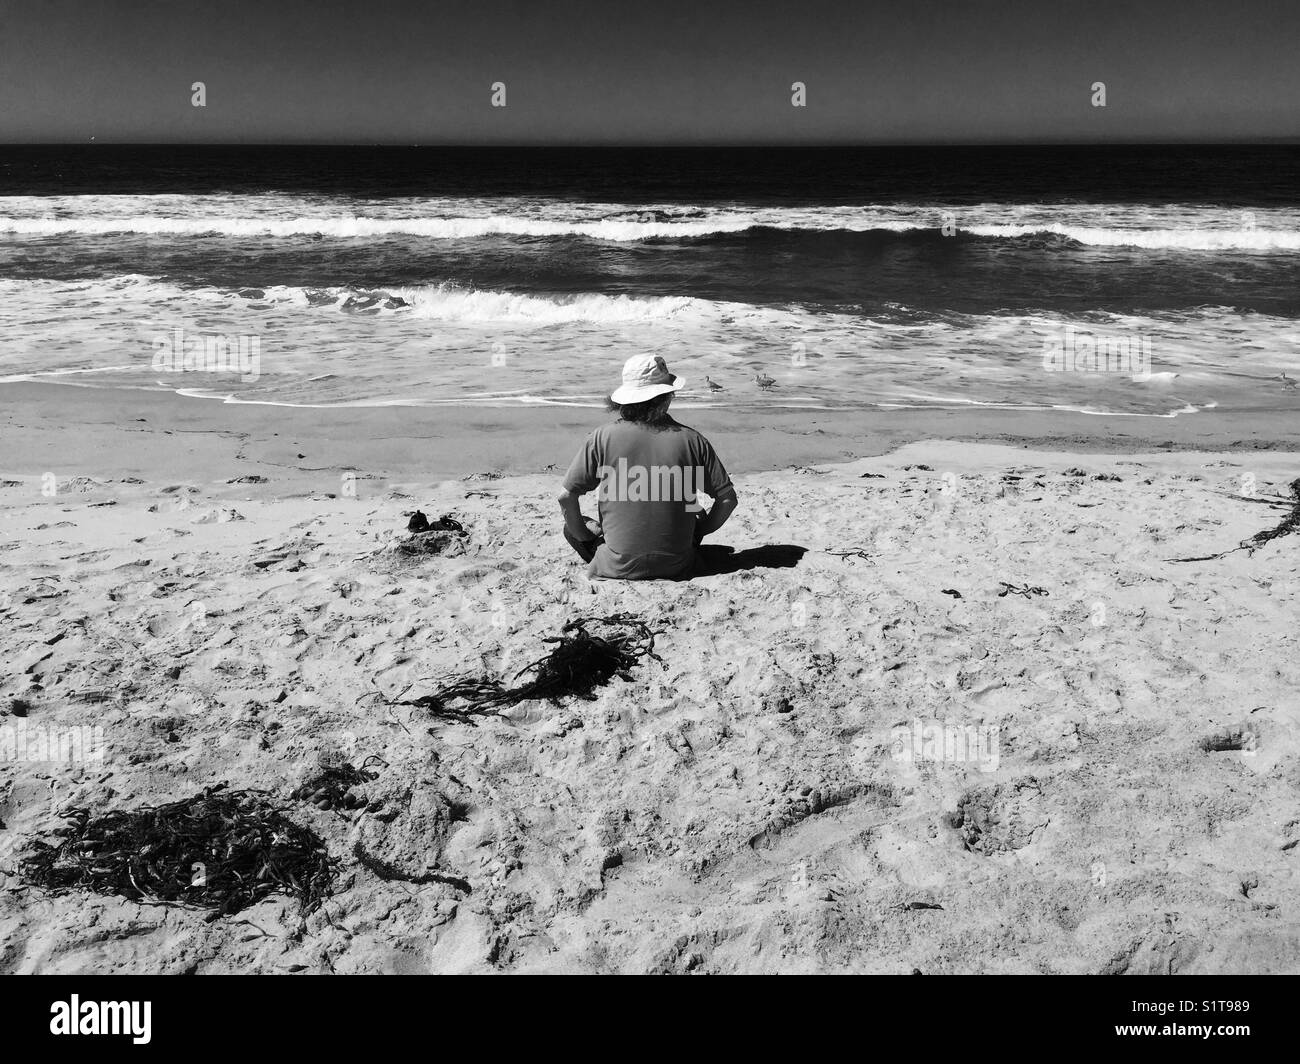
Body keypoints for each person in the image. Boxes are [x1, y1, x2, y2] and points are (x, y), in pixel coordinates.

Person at [558, 355, 738, 579]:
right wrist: (700, 530)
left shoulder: (602, 437)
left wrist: (585, 537)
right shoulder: (692, 440)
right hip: (679, 566)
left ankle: (609, 554)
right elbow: (727, 500)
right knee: (696, 511)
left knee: (573, 528)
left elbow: (566, 497)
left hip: (616, 566)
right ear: (666, 397)